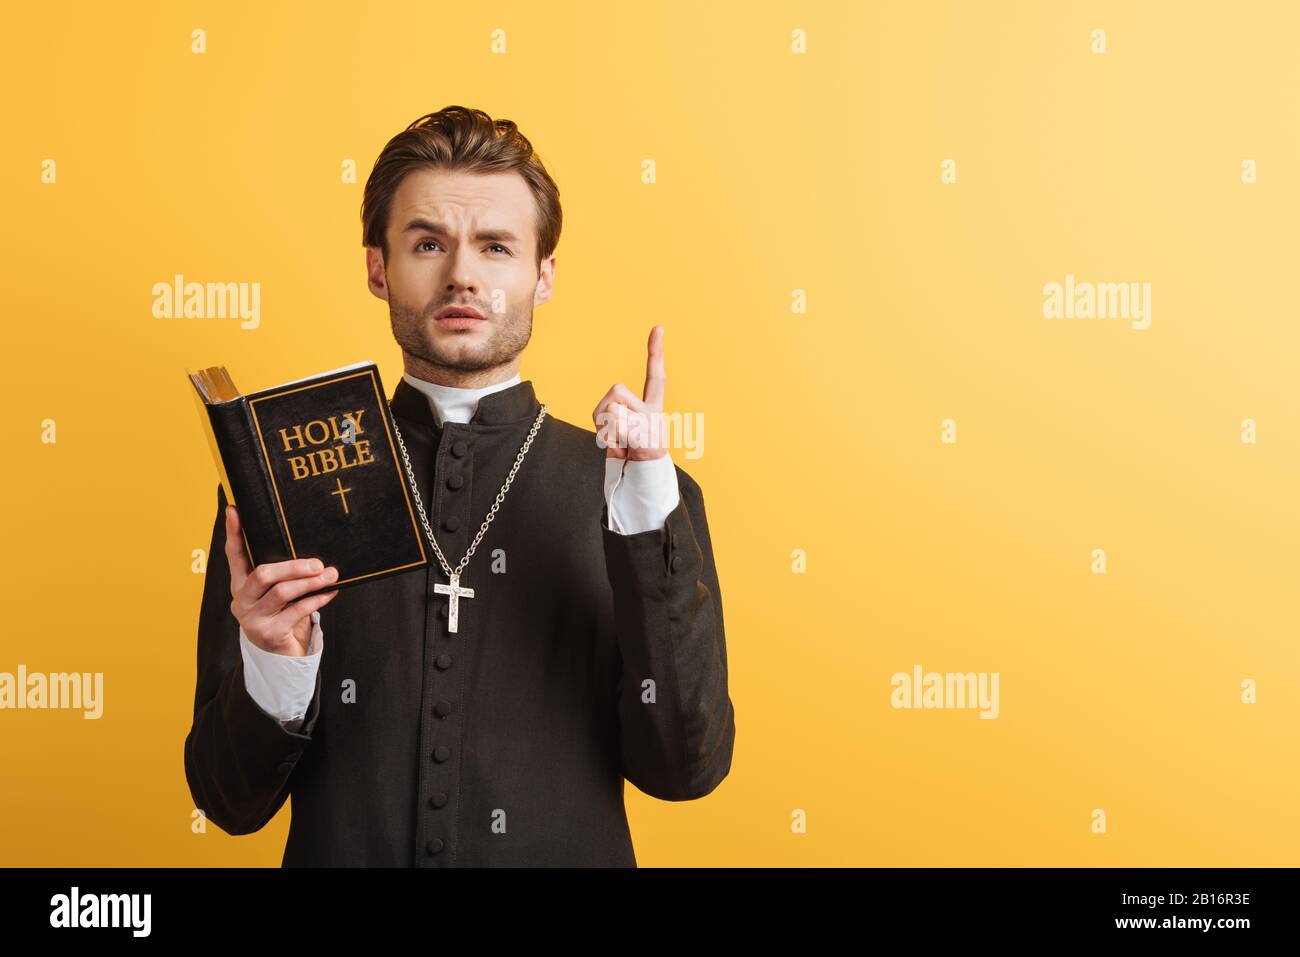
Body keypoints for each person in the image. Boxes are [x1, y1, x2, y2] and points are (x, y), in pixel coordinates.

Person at [183, 105, 735, 866]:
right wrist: (274, 660)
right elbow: (226, 800)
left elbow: (684, 770)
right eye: (428, 242)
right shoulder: (281, 482)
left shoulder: (644, 496)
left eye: (496, 246)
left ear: (542, 276)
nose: (462, 275)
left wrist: (644, 513)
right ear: (378, 268)